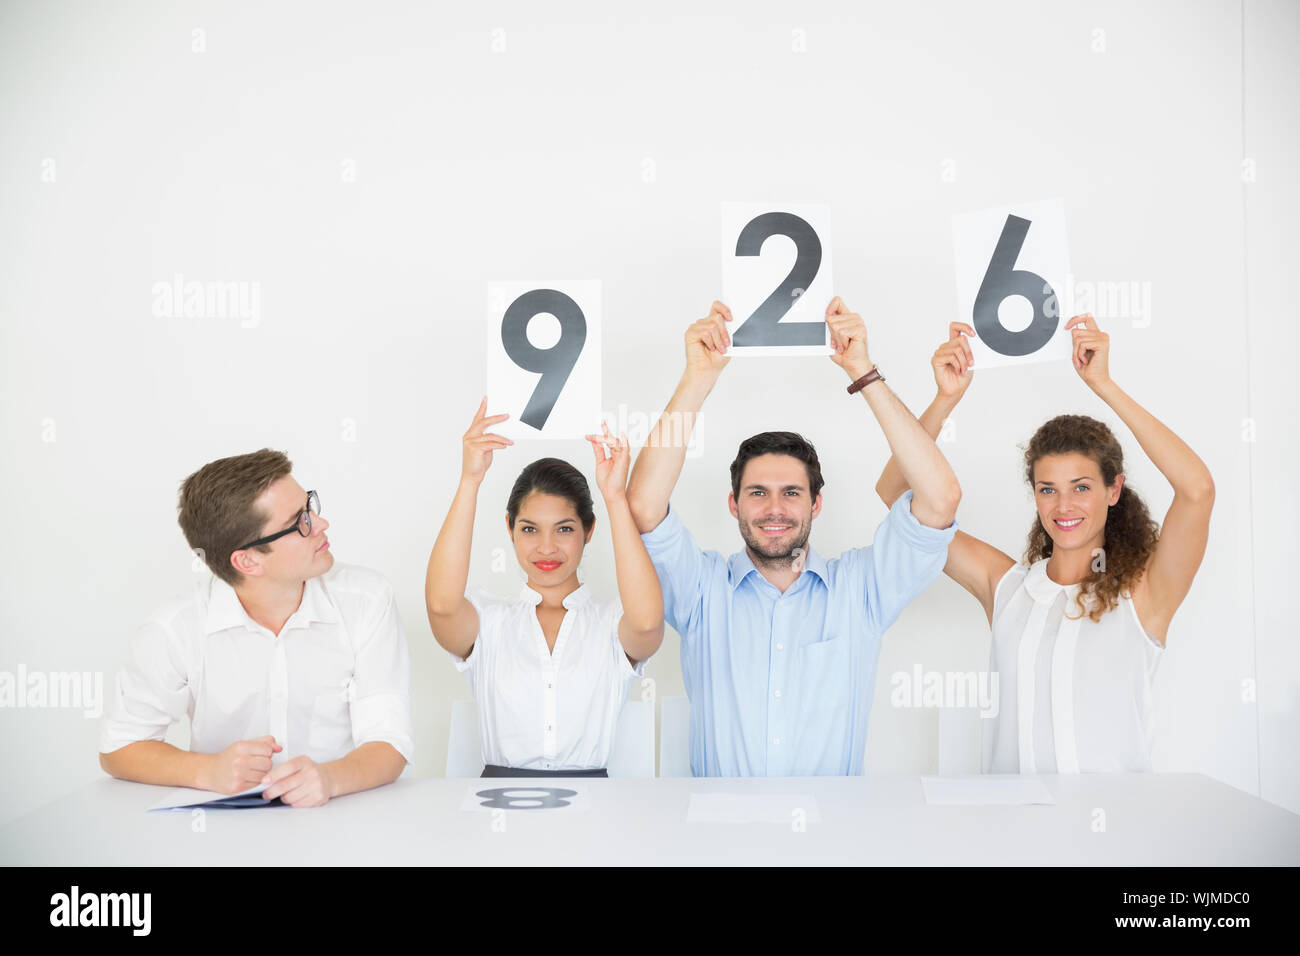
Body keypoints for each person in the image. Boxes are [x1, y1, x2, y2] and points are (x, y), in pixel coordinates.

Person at [625, 298, 962, 777]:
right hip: (721, 847)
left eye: (791, 493)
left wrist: (862, 371)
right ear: (733, 504)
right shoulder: (701, 591)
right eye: (757, 493)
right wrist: (699, 375)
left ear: (816, 505)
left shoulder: (862, 589)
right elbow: (643, 504)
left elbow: (940, 498)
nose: (775, 509)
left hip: (830, 847)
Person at [875, 315, 1215, 773]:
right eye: (1047, 489)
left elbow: (1197, 489)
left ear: (1113, 491)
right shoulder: (1007, 586)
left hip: (1113, 836)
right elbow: (896, 494)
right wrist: (944, 399)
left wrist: (1105, 385)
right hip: (1013, 836)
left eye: (1081, 487)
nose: (1063, 505)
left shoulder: (1146, 595)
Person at [99, 449, 413, 807]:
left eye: (310, 506)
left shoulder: (367, 599)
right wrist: (208, 771)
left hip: (338, 818)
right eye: (299, 522)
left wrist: (329, 779)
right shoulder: (175, 629)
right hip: (223, 834)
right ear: (247, 560)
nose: (320, 525)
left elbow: (390, 742)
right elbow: (119, 747)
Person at [425, 400, 664, 777]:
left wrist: (615, 497)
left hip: (591, 810)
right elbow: (440, 606)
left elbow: (649, 624)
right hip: (498, 808)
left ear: (589, 530)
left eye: (565, 529)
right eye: (530, 529)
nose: (546, 547)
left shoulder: (612, 622)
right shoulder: (489, 620)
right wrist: (470, 481)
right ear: (510, 528)